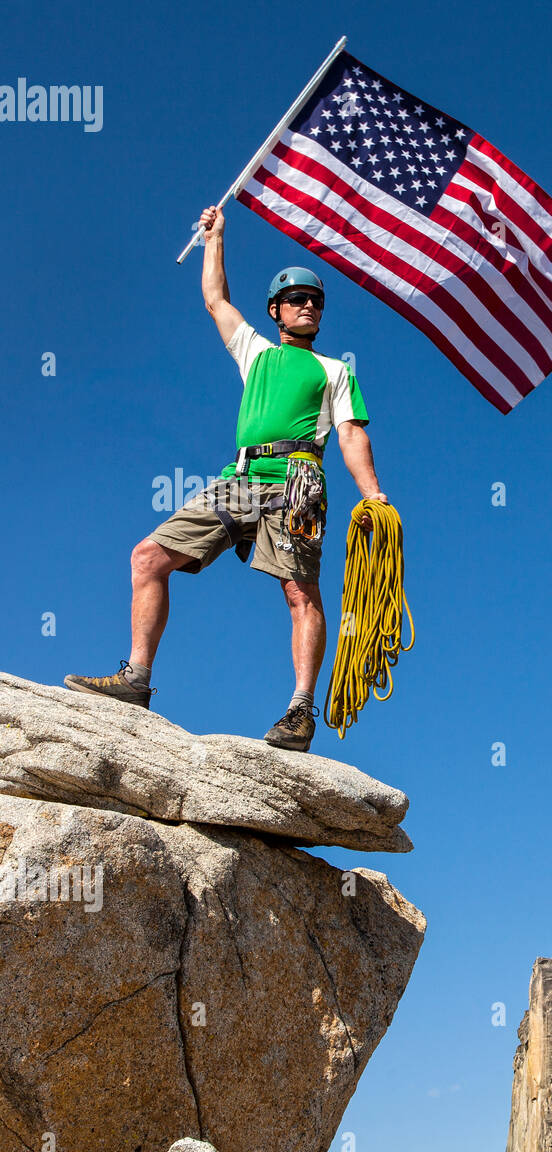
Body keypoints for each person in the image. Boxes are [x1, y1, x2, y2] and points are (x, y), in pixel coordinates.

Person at [64, 204, 389, 753]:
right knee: (148, 557)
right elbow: (215, 299)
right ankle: (136, 682)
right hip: (238, 477)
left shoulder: (336, 370)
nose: (308, 306)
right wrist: (214, 237)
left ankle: (299, 712)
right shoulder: (256, 352)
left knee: (300, 592)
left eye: (315, 301)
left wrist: (372, 494)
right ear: (277, 311)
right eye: (296, 299)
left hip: (298, 479)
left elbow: (352, 434)